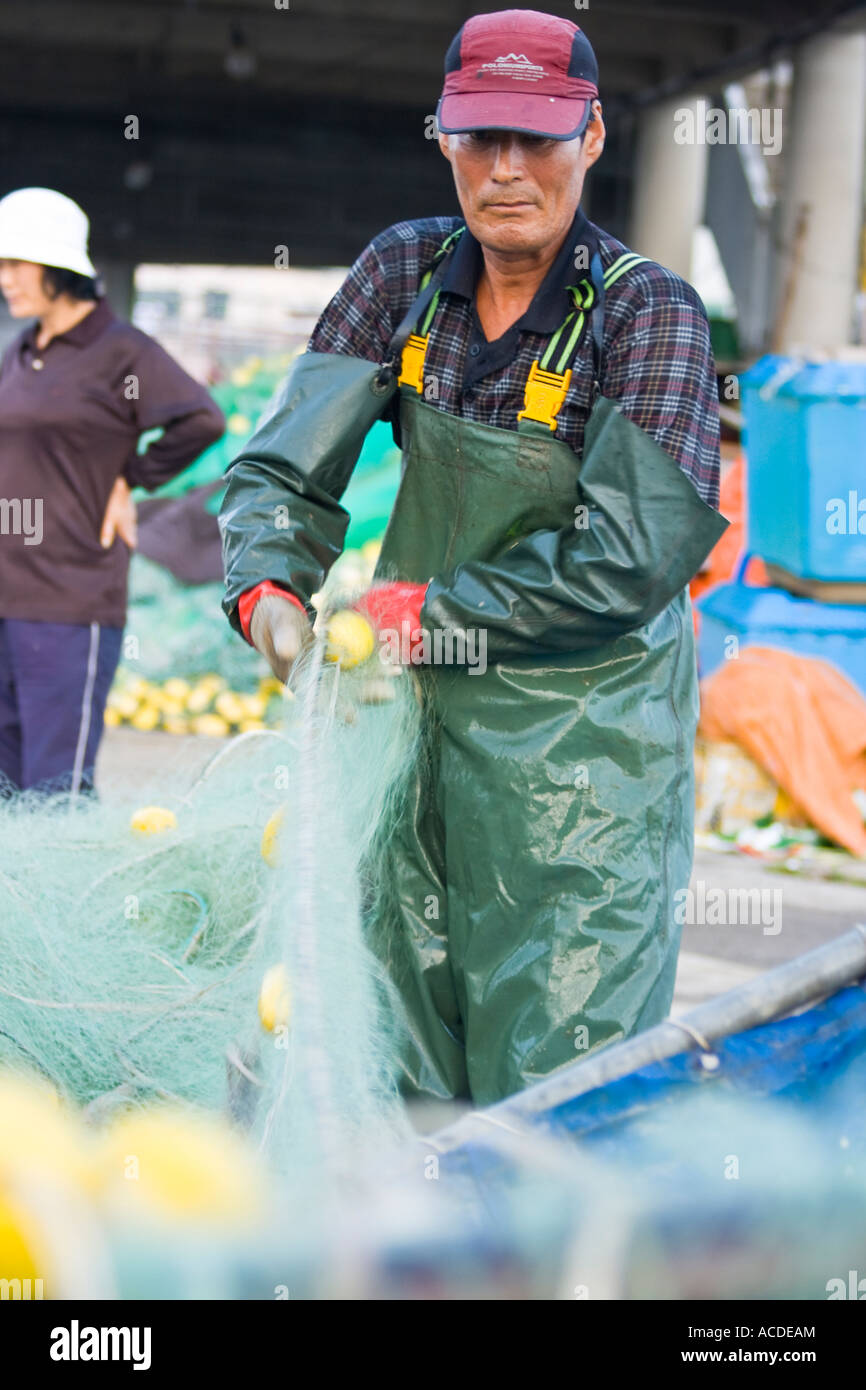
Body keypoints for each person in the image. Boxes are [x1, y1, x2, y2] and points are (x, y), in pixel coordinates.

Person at [220, 10, 728, 1105]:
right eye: (477, 137)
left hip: (580, 772)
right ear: (441, 138)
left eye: (537, 137)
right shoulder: (402, 268)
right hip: (402, 739)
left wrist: (421, 616)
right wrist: (268, 589)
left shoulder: (647, 314)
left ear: (590, 138)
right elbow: (280, 472)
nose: (504, 170)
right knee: (381, 1048)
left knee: (557, 1084)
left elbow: (631, 555)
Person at [0, 186, 225, 797]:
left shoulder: (118, 350)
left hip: (70, 594)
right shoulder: (23, 350)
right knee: (6, 785)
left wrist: (131, 477)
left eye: (16, 265)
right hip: (7, 588)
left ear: (59, 268)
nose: (5, 279)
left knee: (55, 787)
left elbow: (203, 419)